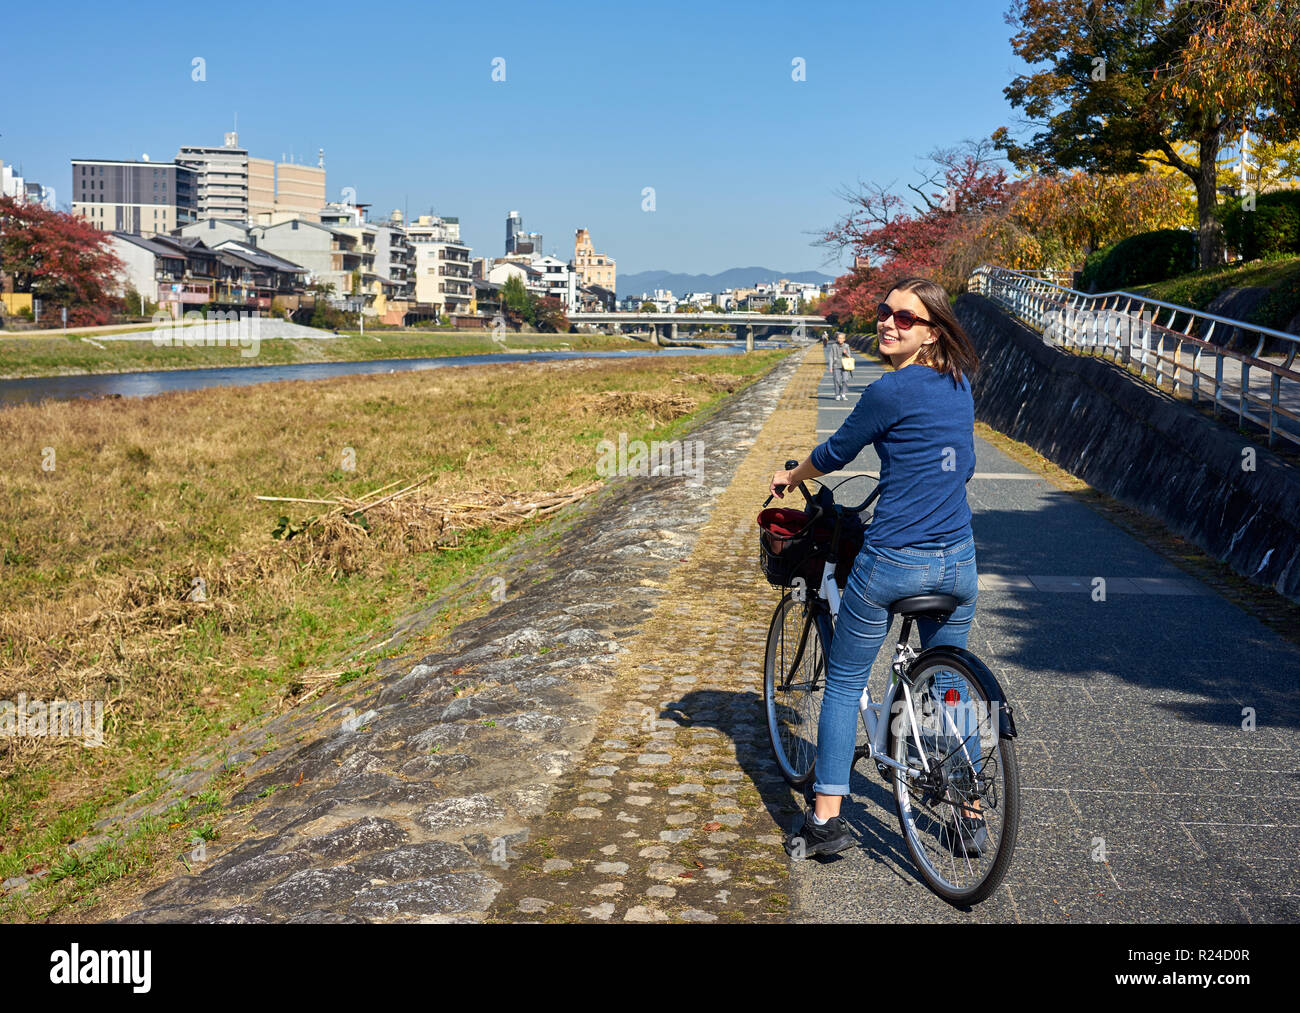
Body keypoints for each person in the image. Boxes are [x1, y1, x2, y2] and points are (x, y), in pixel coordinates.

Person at [768, 276, 981, 860]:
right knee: (952, 689)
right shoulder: (960, 385)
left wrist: (792, 477)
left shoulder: (889, 391)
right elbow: (960, 468)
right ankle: (970, 814)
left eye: (905, 319)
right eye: (885, 313)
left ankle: (826, 820)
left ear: (932, 331)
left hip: (895, 562)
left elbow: (836, 453)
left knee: (842, 681)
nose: (888, 323)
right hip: (959, 563)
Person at [829, 331, 852, 401]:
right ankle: (837, 394)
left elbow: (850, 356)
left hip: (845, 366)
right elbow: (831, 357)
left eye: (842, 338)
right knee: (837, 380)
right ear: (837, 339)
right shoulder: (833, 346)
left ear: (844, 339)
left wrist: (846, 353)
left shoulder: (846, 346)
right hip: (836, 365)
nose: (840, 340)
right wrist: (830, 367)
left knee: (845, 380)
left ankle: (843, 393)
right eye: (839, 338)